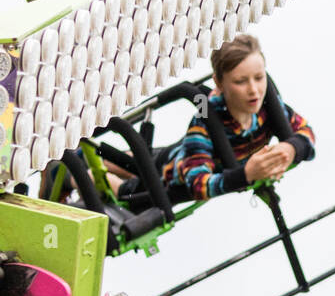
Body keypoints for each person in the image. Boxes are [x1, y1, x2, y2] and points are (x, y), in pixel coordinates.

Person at [108, 34, 315, 203]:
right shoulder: (205, 121)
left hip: (185, 151)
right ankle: (82, 171)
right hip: (169, 174)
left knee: (139, 159)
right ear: (219, 82)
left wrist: (290, 148)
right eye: (241, 81)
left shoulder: (268, 107)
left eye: (259, 78)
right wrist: (246, 175)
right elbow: (198, 183)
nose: (254, 90)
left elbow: (305, 131)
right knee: (125, 193)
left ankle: (109, 159)